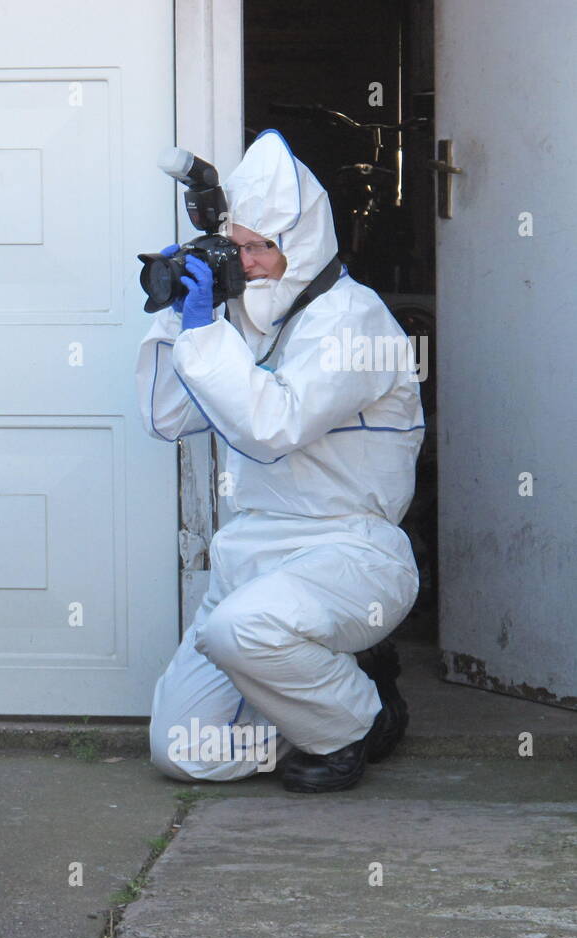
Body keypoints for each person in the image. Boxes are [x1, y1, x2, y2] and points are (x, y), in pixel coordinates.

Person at [137, 129, 425, 792]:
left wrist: (211, 334)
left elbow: (274, 425)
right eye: (234, 246)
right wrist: (183, 315)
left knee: (245, 627)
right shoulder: (244, 317)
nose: (243, 262)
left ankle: (359, 720)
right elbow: (166, 416)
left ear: (299, 243)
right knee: (181, 749)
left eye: (255, 247)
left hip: (349, 551)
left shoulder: (352, 320)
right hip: (251, 554)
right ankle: (323, 699)